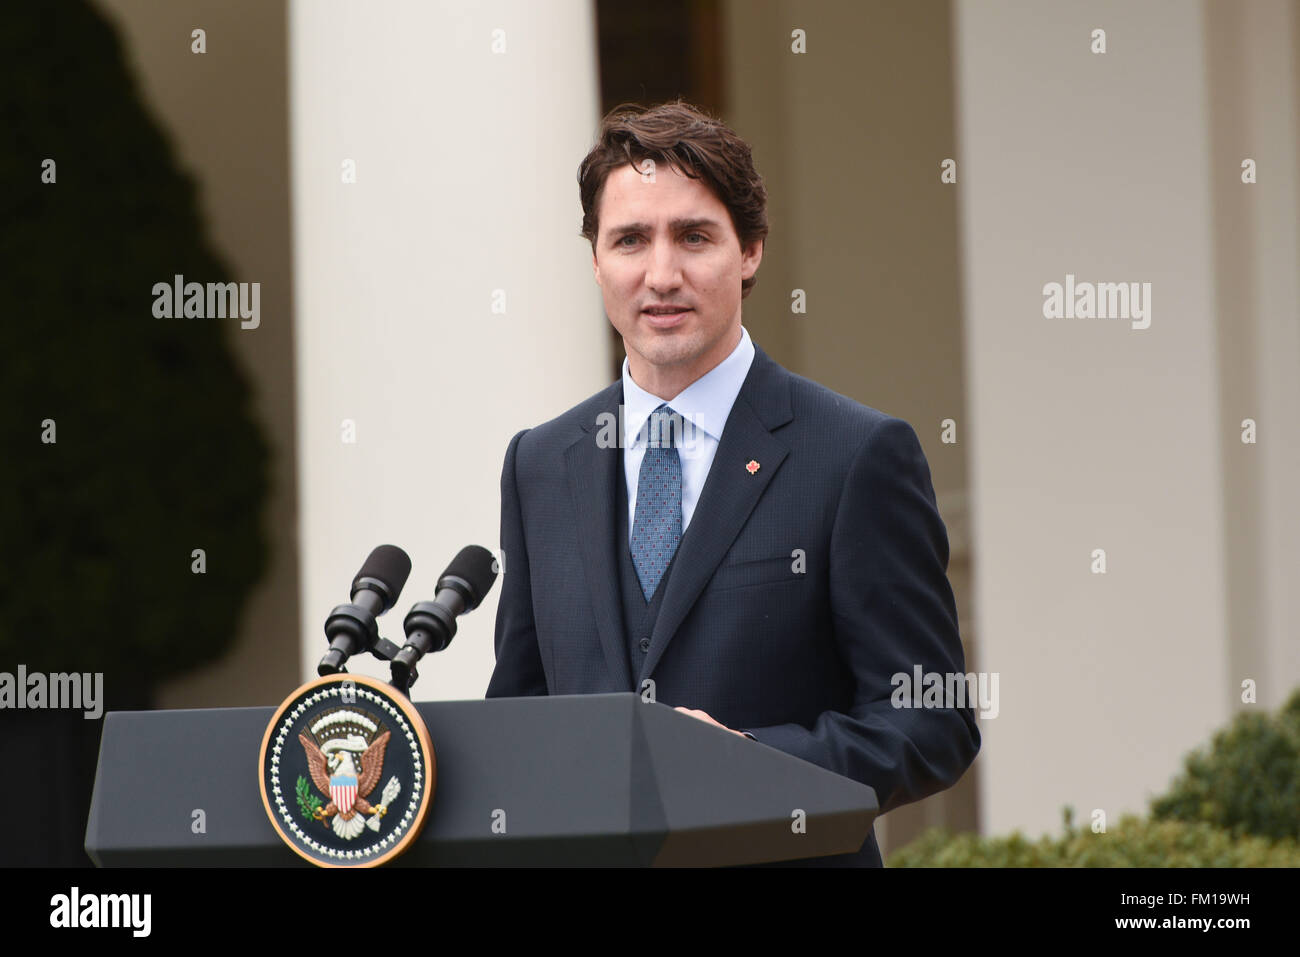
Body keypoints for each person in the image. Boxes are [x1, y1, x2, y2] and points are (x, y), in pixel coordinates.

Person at [486, 100, 979, 866]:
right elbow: (517, 719)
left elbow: (932, 721)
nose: (661, 274)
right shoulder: (539, 464)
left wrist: (749, 761)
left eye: (693, 236)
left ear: (749, 250)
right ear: (594, 260)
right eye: (629, 240)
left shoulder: (856, 455)